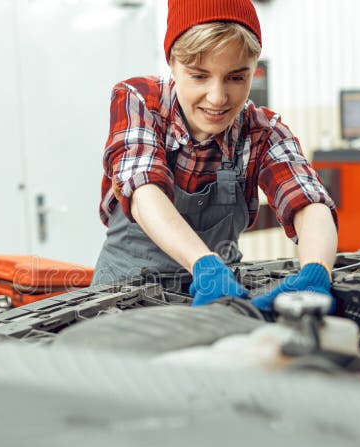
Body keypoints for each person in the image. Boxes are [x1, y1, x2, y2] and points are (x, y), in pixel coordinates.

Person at [92, 0, 338, 312]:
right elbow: (142, 189)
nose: (218, 97)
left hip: (224, 295)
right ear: (172, 64)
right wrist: (205, 265)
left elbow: (308, 201)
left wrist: (315, 272)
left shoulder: (262, 132)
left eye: (236, 78)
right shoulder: (139, 100)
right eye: (199, 76)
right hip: (124, 296)